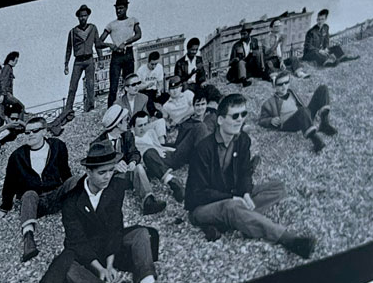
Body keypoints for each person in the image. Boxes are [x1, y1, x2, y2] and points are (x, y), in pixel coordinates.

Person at [183, 94, 317, 256]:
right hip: (202, 207)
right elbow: (198, 193)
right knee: (231, 207)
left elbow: (245, 172)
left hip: (231, 195)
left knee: (278, 187)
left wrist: (246, 193)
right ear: (220, 120)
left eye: (243, 114)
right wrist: (232, 198)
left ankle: (232, 221)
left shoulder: (243, 140)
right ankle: (289, 239)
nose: (240, 119)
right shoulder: (203, 149)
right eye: (235, 116)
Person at [39, 138, 167, 283]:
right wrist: (101, 269)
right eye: (102, 173)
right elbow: (77, 241)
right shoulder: (71, 200)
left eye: (111, 170)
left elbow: (115, 227)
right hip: (85, 251)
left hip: (109, 243)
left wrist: (110, 264)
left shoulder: (115, 187)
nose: (107, 177)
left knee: (141, 233)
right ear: (88, 172)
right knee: (65, 267)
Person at [0, 115, 75, 261]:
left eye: (35, 131)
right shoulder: (17, 156)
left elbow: (65, 171)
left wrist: (70, 188)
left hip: (55, 196)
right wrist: (4, 207)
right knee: (28, 194)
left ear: (44, 131)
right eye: (27, 132)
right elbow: (9, 183)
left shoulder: (57, 146)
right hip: (34, 202)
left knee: (75, 181)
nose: (30, 135)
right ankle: (28, 240)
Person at [95, 103, 168, 212]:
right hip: (110, 179)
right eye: (126, 120)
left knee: (138, 167)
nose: (128, 122)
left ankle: (148, 201)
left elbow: (134, 152)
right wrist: (113, 166)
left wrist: (133, 162)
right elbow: (95, 168)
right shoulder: (98, 144)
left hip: (125, 176)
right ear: (118, 124)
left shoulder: (127, 135)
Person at [257, 81, 337, 153]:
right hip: (289, 122)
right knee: (302, 111)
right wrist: (271, 120)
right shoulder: (269, 102)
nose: (284, 86)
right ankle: (316, 141)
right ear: (275, 86)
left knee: (323, 88)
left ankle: (324, 124)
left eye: (286, 82)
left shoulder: (291, 92)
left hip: (303, 116)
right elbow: (261, 120)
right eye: (280, 84)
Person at [99, 0, 142, 105]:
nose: (118, 11)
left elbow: (138, 34)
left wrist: (125, 42)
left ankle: (130, 108)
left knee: (129, 84)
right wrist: (110, 45)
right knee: (113, 87)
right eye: (117, 8)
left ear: (126, 8)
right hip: (116, 56)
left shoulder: (132, 20)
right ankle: (110, 111)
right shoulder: (111, 25)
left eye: (121, 8)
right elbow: (99, 43)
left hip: (128, 54)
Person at [63, 5, 102, 115]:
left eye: (85, 16)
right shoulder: (72, 32)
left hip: (89, 59)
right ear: (78, 17)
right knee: (73, 86)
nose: (83, 18)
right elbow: (68, 49)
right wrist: (66, 64)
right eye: (81, 16)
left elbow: (97, 44)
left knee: (90, 84)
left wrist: (100, 59)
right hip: (78, 61)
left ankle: (91, 107)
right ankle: (68, 109)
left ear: (88, 16)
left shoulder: (93, 28)